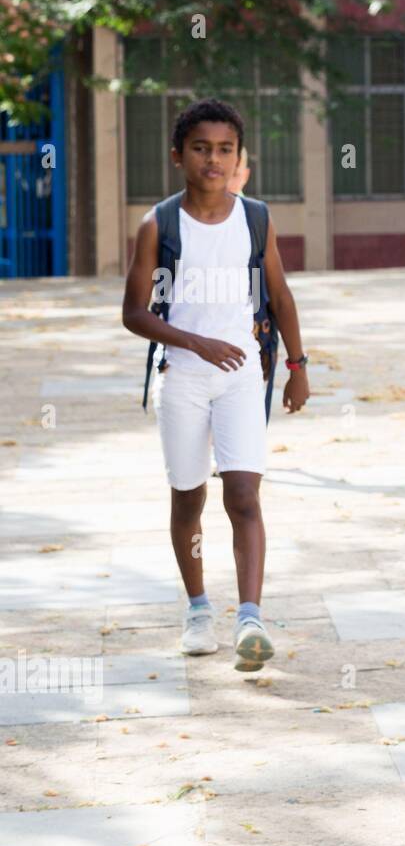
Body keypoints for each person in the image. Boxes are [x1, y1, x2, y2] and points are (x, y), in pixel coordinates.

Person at [121, 98, 311, 670]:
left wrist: (298, 367)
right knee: (188, 497)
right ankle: (198, 608)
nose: (214, 159)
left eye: (225, 149)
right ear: (178, 155)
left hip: (241, 378)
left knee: (245, 495)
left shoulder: (255, 217)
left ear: (238, 156)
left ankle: (250, 617)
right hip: (181, 378)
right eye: (201, 148)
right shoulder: (159, 223)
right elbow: (133, 312)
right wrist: (195, 342)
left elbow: (278, 295)